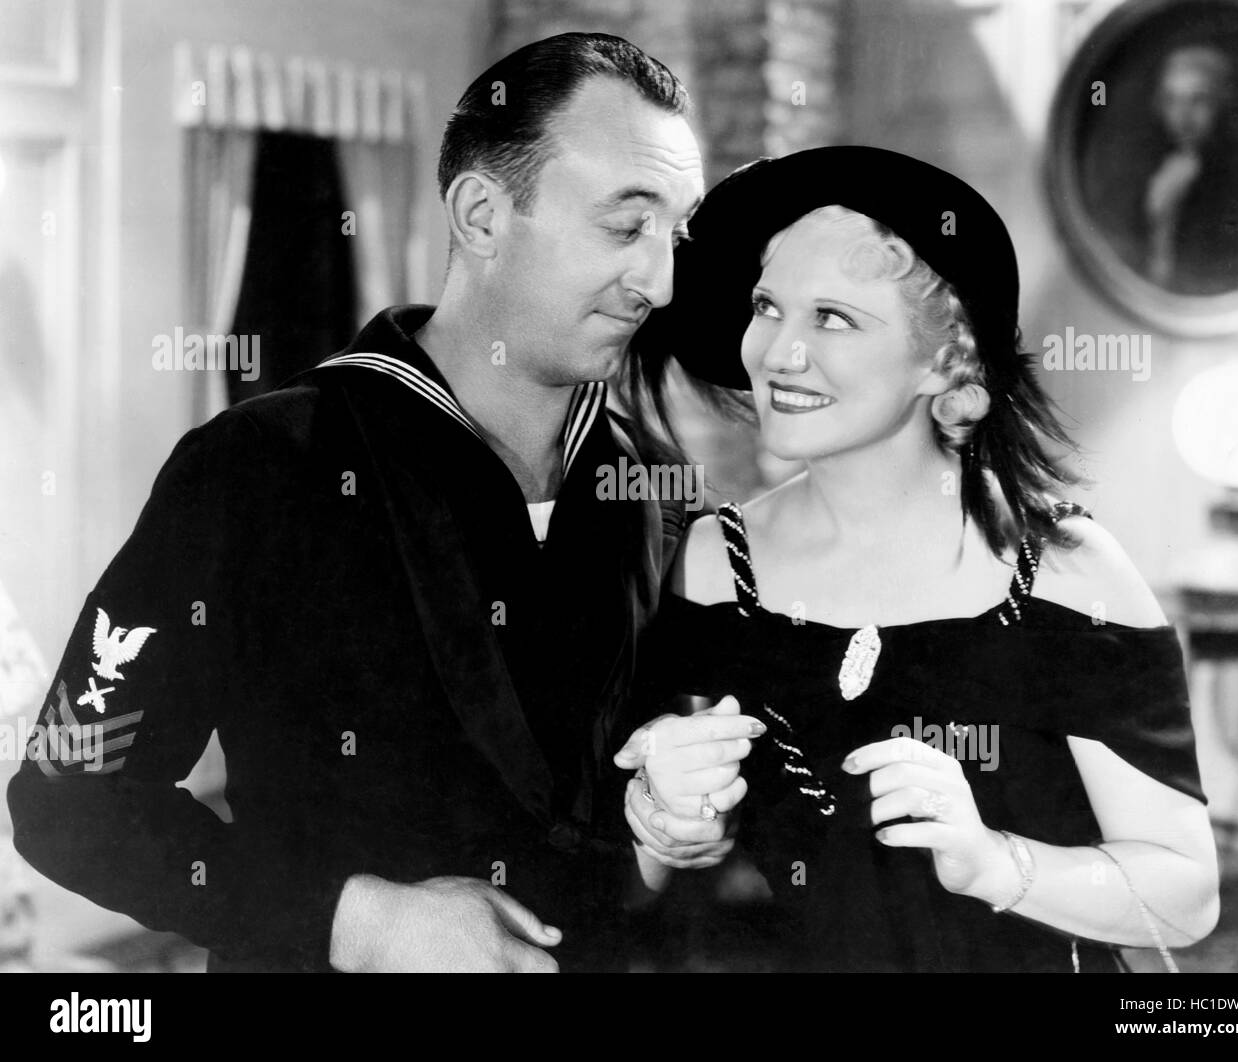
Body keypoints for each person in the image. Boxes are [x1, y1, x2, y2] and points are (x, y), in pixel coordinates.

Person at [7, 31, 751, 973]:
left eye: (675, 233)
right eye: (624, 225)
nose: (662, 281)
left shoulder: (649, 483)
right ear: (482, 214)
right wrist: (356, 922)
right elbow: (68, 800)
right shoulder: (259, 466)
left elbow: (633, 826)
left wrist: (671, 830)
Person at [621, 146, 1221, 972]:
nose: (778, 353)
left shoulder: (1067, 571)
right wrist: (663, 817)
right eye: (768, 307)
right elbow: (648, 877)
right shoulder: (712, 564)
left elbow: (1184, 899)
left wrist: (992, 862)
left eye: (833, 317)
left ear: (947, 361)